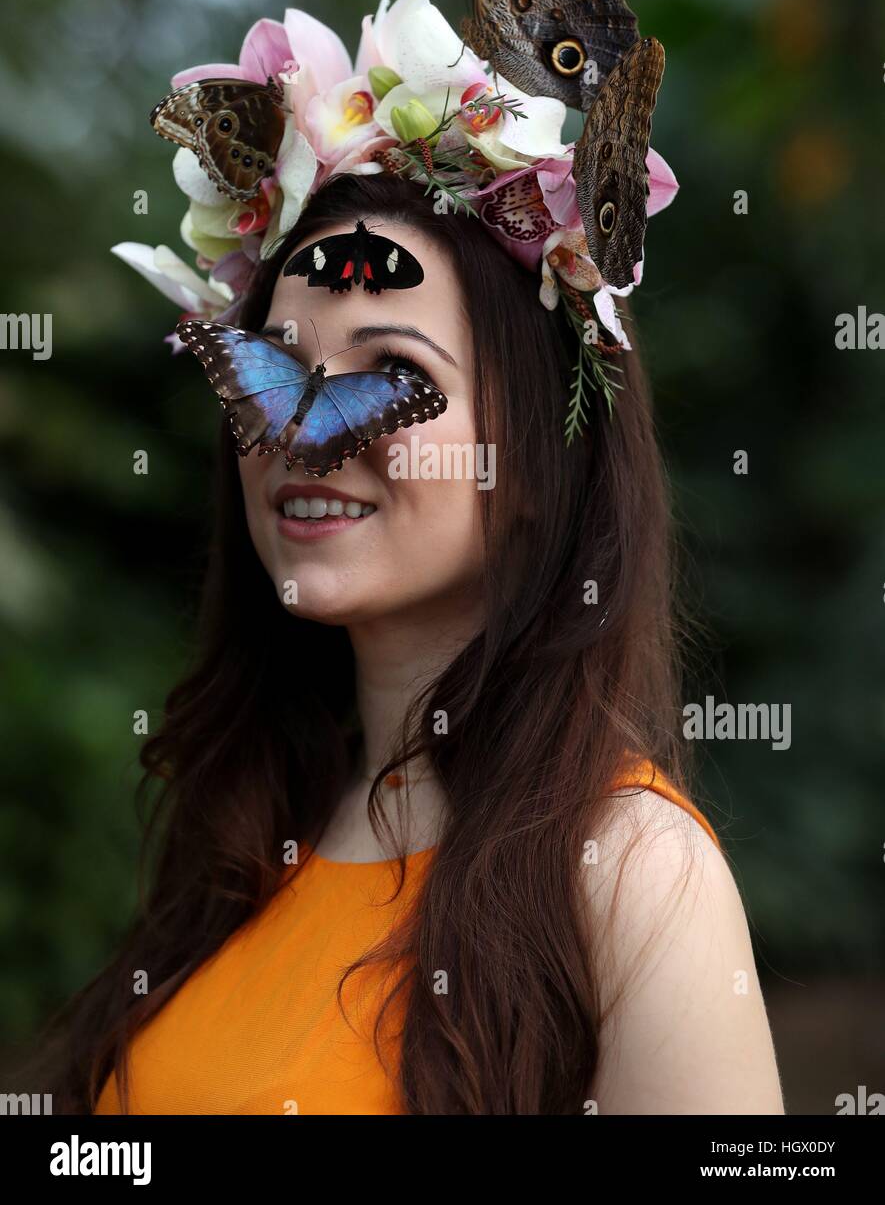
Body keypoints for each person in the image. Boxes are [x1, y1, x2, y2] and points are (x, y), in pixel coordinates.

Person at [26, 171, 784, 1114]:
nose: (300, 436)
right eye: (275, 365)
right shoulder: (248, 831)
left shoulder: (631, 869)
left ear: (542, 462)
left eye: (397, 375)